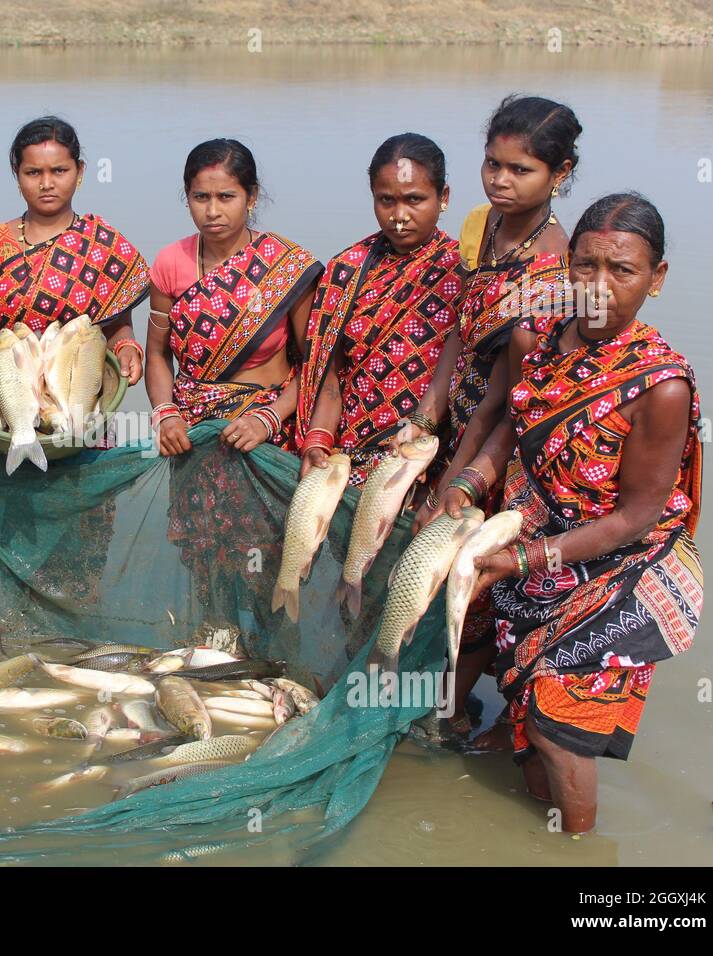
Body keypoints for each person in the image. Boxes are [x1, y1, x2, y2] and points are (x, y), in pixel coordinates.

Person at [446, 193, 702, 832]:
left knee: (559, 731)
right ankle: (535, 812)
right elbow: (512, 420)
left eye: (623, 271)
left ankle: (582, 857)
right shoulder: (535, 334)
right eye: (584, 266)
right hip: (537, 541)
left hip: (620, 568)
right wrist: (471, 482)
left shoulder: (660, 385)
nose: (599, 287)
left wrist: (525, 558)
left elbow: (637, 516)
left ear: (657, 279)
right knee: (529, 717)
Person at [408, 95, 582, 729]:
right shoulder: (481, 224)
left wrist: (459, 472)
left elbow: (507, 397)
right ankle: (439, 704)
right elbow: (458, 325)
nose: (501, 181)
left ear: (560, 174)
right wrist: (429, 410)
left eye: (520, 170)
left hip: (502, 440)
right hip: (458, 421)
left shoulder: (555, 263)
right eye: (492, 164)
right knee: (426, 561)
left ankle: (453, 714)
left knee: (472, 582)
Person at [296, 133, 462, 485]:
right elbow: (330, 374)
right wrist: (319, 440)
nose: (399, 216)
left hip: (425, 464)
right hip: (350, 461)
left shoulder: (464, 272)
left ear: (443, 197)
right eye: (386, 200)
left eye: (414, 200)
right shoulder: (347, 270)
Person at [147, 138, 322, 456]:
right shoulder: (170, 262)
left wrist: (268, 418)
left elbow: (316, 364)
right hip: (190, 437)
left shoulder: (285, 265)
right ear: (187, 197)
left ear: (251, 196)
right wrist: (166, 414)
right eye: (201, 197)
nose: (212, 211)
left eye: (226, 197)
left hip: (263, 436)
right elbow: (157, 355)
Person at [0, 116, 149, 389]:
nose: (46, 183)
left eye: (59, 171)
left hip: (79, 400)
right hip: (4, 399)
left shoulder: (102, 245)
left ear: (80, 171)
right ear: (16, 173)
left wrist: (127, 348)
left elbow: (117, 324)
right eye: (33, 173)